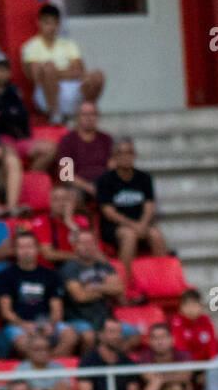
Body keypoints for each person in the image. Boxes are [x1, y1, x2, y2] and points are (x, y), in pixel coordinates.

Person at [95, 138, 167, 283]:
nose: (125, 156)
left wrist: (143, 224)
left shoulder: (144, 178)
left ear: (134, 155)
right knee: (129, 235)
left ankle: (164, 279)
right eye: (121, 153)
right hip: (114, 227)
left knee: (156, 234)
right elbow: (109, 212)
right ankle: (125, 281)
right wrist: (134, 226)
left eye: (129, 152)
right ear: (114, 157)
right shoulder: (105, 180)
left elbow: (149, 205)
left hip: (141, 223)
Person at [21, 3, 104, 124]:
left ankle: (87, 114)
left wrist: (55, 73)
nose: (51, 27)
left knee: (97, 75)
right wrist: (62, 72)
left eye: (54, 23)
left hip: (72, 88)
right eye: (47, 23)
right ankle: (55, 115)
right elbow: (36, 77)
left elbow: (80, 71)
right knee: (49, 68)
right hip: (46, 94)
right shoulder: (31, 47)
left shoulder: (68, 45)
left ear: (58, 24)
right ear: (39, 23)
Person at [0, 231, 73, 357]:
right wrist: (24, 325)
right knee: (22, 343)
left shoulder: (50, 275)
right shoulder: (6, 276)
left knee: (70, 335)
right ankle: (41, 366)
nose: (26, 251)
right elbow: (6, 311)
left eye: (29, 246)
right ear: (16, 251)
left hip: (46, 323)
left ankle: (51, 364)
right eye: (21, 247)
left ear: (37, 249)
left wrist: (50, 324)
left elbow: (57, 310)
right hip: (18, 325)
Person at [0, 58, 54, 175]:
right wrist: (10, 114)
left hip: (19, 137)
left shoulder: (13, 92)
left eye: (5, 70)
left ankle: (30, 179)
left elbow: (22, 116)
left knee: (52, 149)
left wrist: (0, 115)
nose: (2, 73)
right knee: (10, 157)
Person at [60, 230, 125, 348]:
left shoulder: (105, 266)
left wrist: (95, 287)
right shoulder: (69, 268)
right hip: (78, 318)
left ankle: (111, 360)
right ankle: (89, 362)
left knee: (134, 333)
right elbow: (80, 296)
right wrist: (105, 290)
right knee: (89, 336)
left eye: (90, 243)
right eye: (83, 243)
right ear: (75, 246)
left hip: (104, 318)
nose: (87, 247)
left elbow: (118, 288)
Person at [76, 316, 140, 390]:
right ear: (101, 335)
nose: (117, 336)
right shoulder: (88, 360)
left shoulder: (127, 361)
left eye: (119, 332)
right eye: (111, 332)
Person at [54, 103, 112, 205]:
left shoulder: (106, 139)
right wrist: (90, 188)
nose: (89, 118)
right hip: (78, 185)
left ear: (98, 116)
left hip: (103, 183)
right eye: (85, 114)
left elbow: (113, 166)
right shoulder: (67, 140)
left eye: (93, 114)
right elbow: (66, 174)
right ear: (77, 117)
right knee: (72, 196)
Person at [32, 184, 91, 265]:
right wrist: (75, 257)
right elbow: (48, 254)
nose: (61, 203)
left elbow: (87, 249)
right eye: (56, 199)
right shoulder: (41, 222)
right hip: (54, 267)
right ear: (49, 202)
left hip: (80, 265)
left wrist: (70, 222)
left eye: (64, 199)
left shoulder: (81, 220)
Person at [170, 288, 218, 363]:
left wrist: (212, 363)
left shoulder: (206, 321)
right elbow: (180, 347)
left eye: (194, 305)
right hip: (186, 366)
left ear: (200, 307)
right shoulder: (177, 323)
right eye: (187, 306)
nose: (191, 309)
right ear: (181, 308)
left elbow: (212, 345)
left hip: (206, 365)